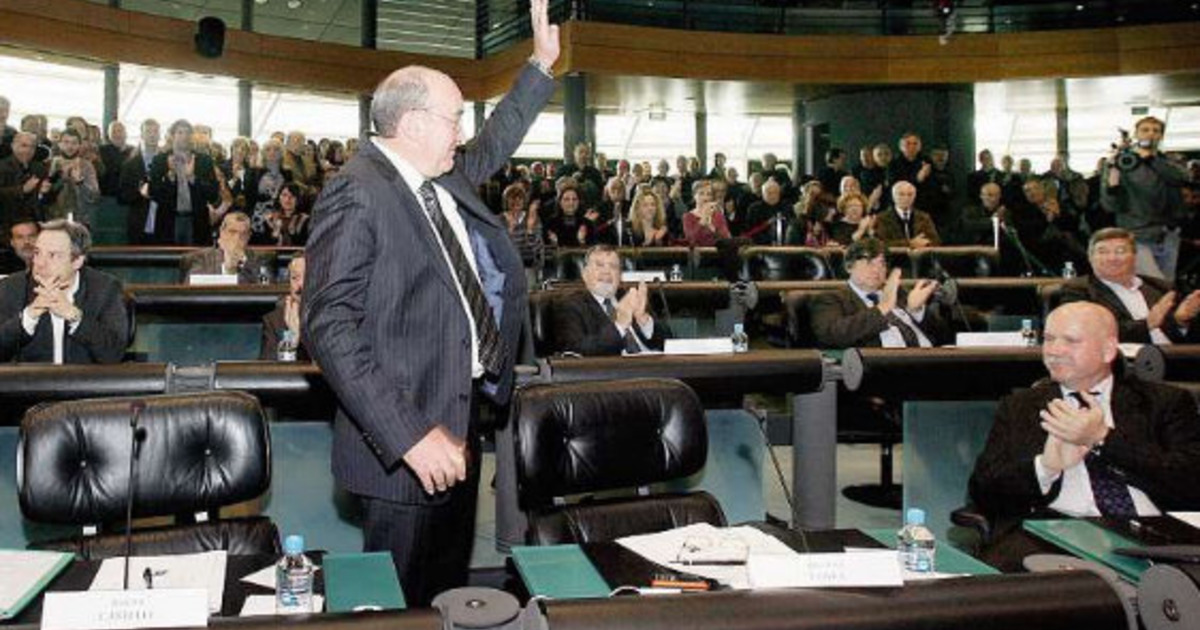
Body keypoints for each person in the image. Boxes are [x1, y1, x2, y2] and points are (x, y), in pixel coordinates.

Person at [302, 0, 558, 607]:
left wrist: (540, 67)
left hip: (460, 414)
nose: (463, 130)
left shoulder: (440, 177)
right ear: (414, 124)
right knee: (401, 605)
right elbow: (328, 324)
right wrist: (410, 435)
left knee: (445, 593)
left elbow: (497, 141)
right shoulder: (357, 192)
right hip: (402, 440)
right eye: (454, 118)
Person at [969, 302, 1200, 525]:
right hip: (1054, 534)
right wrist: (1045, 468)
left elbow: (1190, 482)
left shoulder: (1164, 402)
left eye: (1071, 341)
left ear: (1108, 350)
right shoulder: (1021, 407)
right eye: (1049, 339)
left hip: (1155, 532)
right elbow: (983, 493)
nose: (1054, 351)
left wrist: (1103, 439)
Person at [0, 220, 127, 363]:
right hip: (28, 383)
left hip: (83, 383)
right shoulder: (11, 288)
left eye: (53, 255)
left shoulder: (105, 289)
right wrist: (29, 317)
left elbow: (113, 354)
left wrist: (75, 317)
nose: (39, 263)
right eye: (37, 253)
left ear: (77, 261)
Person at [1060, 228, 1200, 344]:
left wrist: (1180, 321)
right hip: (1122, 367)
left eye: (1120, 251)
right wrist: (1147, 325)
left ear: (1134, 257)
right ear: (1090, 258)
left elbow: (1181, 337)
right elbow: (1090, 332)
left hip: (1174, 360)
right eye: (1103, 252)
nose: (1112, 258)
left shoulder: (1162, 288)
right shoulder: (1079, 290)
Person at [808, 237, 948, 349]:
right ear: (849, 267)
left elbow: (943, 335)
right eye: (869, 263)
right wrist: (882, 308)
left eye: (881, 264)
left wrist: (917, 311)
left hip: (928, 359)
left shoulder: (898, 293)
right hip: (882, 369)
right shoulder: (831, 299)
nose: (877, 270)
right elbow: (833, 335)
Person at [1100, 116, 1193, 280]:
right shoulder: (1124, 162)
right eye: (1145, 130)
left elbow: (1182, 177)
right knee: (1152, 283)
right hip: (1138, 234)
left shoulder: (1168, 161)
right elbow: (1109, 204)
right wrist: (1113, 173)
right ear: (1136, 134)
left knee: (1166, 285)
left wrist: (1149, 159)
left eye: (1155, 131)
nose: (1150, 134)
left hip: (1168, 234)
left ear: (1161, 136)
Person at [550, 244, 668, 355]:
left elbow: (666, 343)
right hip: (615, 372)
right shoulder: (570, 305)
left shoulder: (631, 297)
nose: (607, 272)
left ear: (620, 276)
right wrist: (620, 325)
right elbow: (577, 351)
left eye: (613, 266)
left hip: (654, 366)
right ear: (585, 274)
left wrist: (644, 320)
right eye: (599, 265)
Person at [148, 119, 220, 245]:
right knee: (169, 261)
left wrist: (192, 178)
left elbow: (213, 194)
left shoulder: (204, 160)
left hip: (197, 221)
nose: (184, 137)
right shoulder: (160, 160)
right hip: (169, 221)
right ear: (172, 136)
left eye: (187, 133)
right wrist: (170, 176)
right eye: (180, 133)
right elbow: (153, 192)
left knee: (196, 261)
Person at [181, 211, 271, 284]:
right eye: (232, 232)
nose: (237, 238)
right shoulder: (200, 257)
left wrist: (244, 264)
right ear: (221, 232)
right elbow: (191, 286)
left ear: (249, 237)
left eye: (243, 234)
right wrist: (227, 269)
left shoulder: (261, 258)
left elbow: (266, 286)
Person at [260, 254, 308, 361]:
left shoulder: (331, 316)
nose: (300, 284)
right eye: (294, 278)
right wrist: (292, 341)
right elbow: (268, 370)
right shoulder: (274, 320)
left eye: (307, 277)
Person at [872, 181, 941, 248]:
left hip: (920, 258)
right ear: (893, 196)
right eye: (901, 194)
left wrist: (925, 243)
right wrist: (909, 243)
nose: (906, 198)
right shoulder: (882, 218)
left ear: (914, 197)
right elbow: (881, 243)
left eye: (910, 194)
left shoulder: (923, 217)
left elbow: (936, 241)